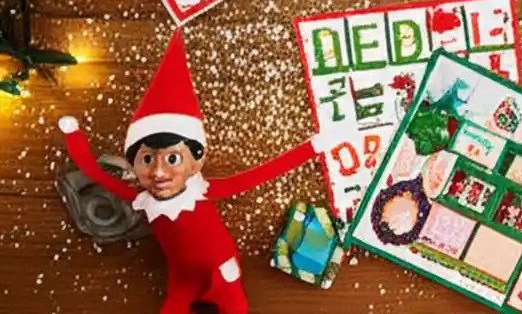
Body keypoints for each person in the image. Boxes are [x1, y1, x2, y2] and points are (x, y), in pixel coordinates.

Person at [58, 31, 332, 313]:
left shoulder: (200, 191)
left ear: (195, 162)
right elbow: (95, 172)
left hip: (220, 270)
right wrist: (73, 135)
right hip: (182, 279)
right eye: (147, 159)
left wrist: (308, 150)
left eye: (173, 158)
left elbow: (257, 176)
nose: (159, 171)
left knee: (235, 305)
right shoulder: (143, 200)